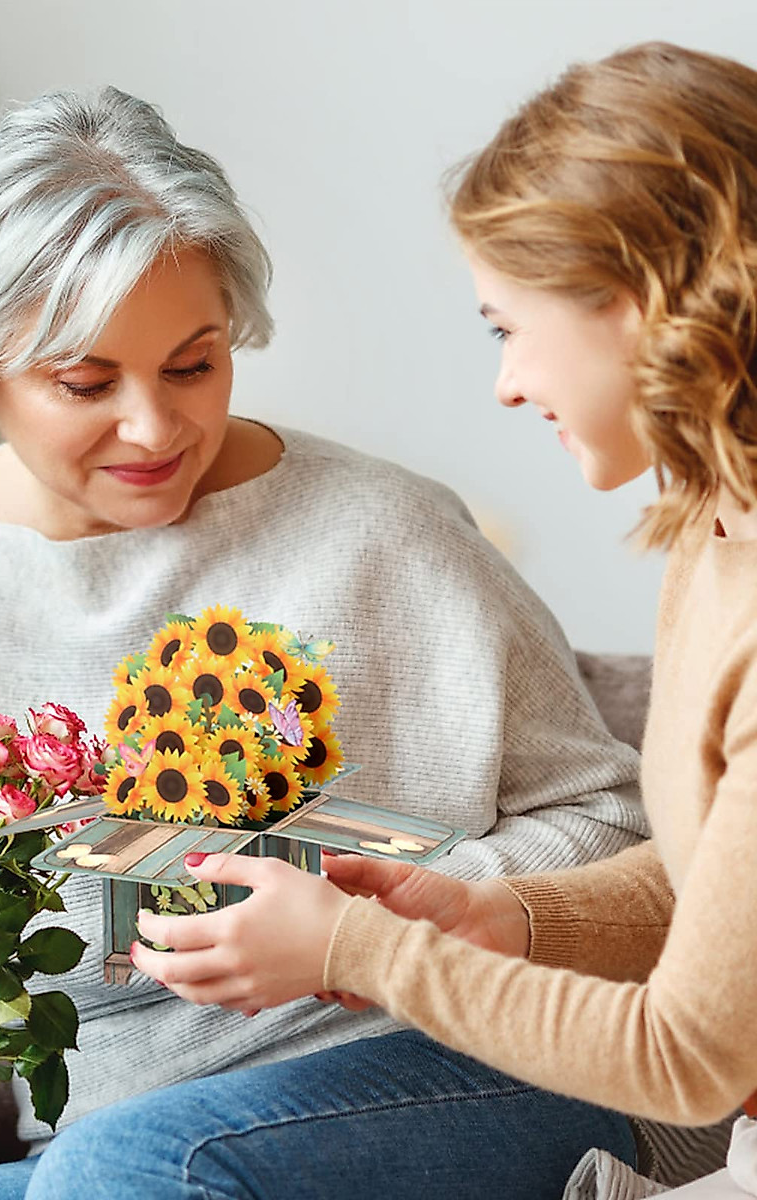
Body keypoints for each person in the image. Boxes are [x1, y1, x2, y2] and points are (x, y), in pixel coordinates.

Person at [0, 88, 666, 1199]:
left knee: (118, 1172)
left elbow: (616, 824)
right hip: (100, 1144)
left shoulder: (388, 531)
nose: (156, 427)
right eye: (85, 383)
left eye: (193, 364)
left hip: (462, 1061)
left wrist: (372, 917)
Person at [132, 40, 757, 1200]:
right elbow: (715, 888)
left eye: (505, 326)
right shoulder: (714, 527)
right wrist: (495, 913)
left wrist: (360, 951)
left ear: (634, 304)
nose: (507, 383)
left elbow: (687, 1054)